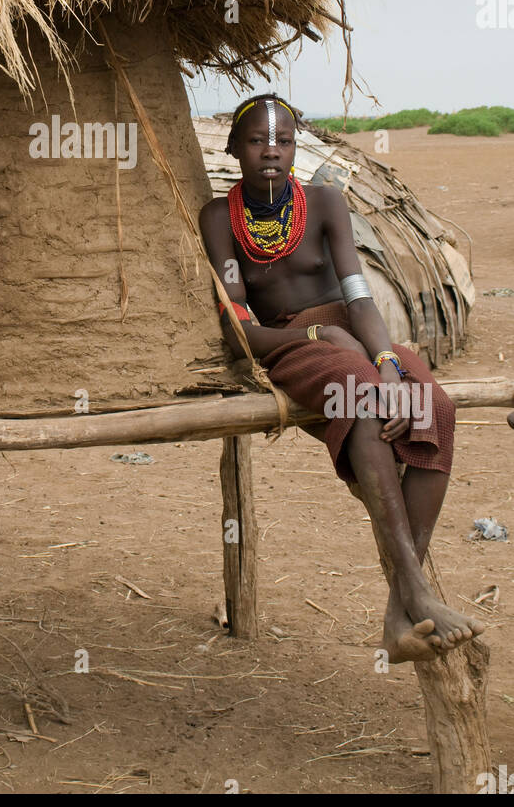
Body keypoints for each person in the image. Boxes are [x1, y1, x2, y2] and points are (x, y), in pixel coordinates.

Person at [199, 92, 483, 664]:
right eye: (257, 141)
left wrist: (387, 364)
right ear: (234, 150)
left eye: (282, 141)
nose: (271, 152)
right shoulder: (218, 219)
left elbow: (358, 296)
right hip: (285, 342)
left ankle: (397, 612)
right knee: (359, 394)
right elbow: (239, 328)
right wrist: (315, 339)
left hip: (351, 332)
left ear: (296, 148)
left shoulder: (327, 203)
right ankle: (416, 590)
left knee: (432, 404)